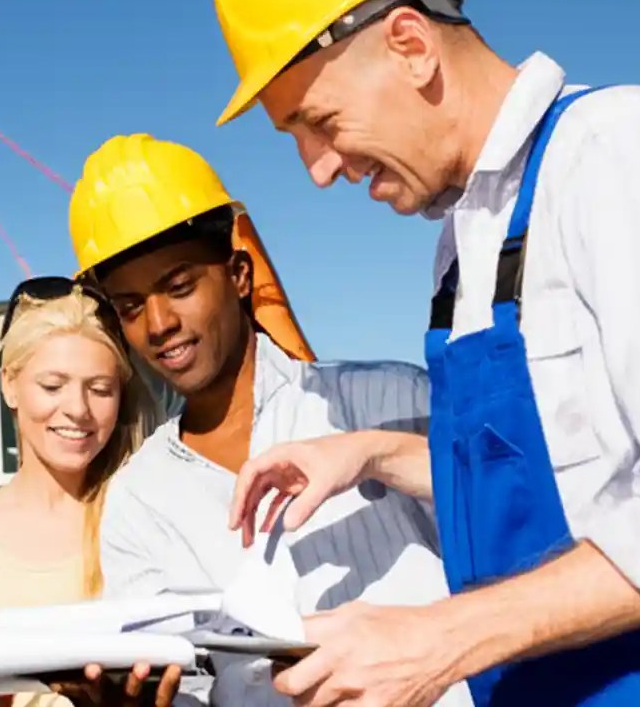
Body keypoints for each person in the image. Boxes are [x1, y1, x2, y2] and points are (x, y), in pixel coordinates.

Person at [210, 0, 640, 705]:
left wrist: (439, 639)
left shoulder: (619, 151)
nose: (317, 168)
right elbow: (564, 476)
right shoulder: (465, 247)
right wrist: (369, 452)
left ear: (410, 45)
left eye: (319, 121)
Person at [68, 133, 473, 707]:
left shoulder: (388, 401)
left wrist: (379, 454)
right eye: (130, 306)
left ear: (237, 275)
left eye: (179, 286)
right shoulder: (140, 499)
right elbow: (180, 691)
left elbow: (519, 540)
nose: (157, 323)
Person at [0, 276, 173, 707]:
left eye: (100, 389)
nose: (77, 409)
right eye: (53, 385)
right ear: (9, 384)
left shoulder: (147, 526)